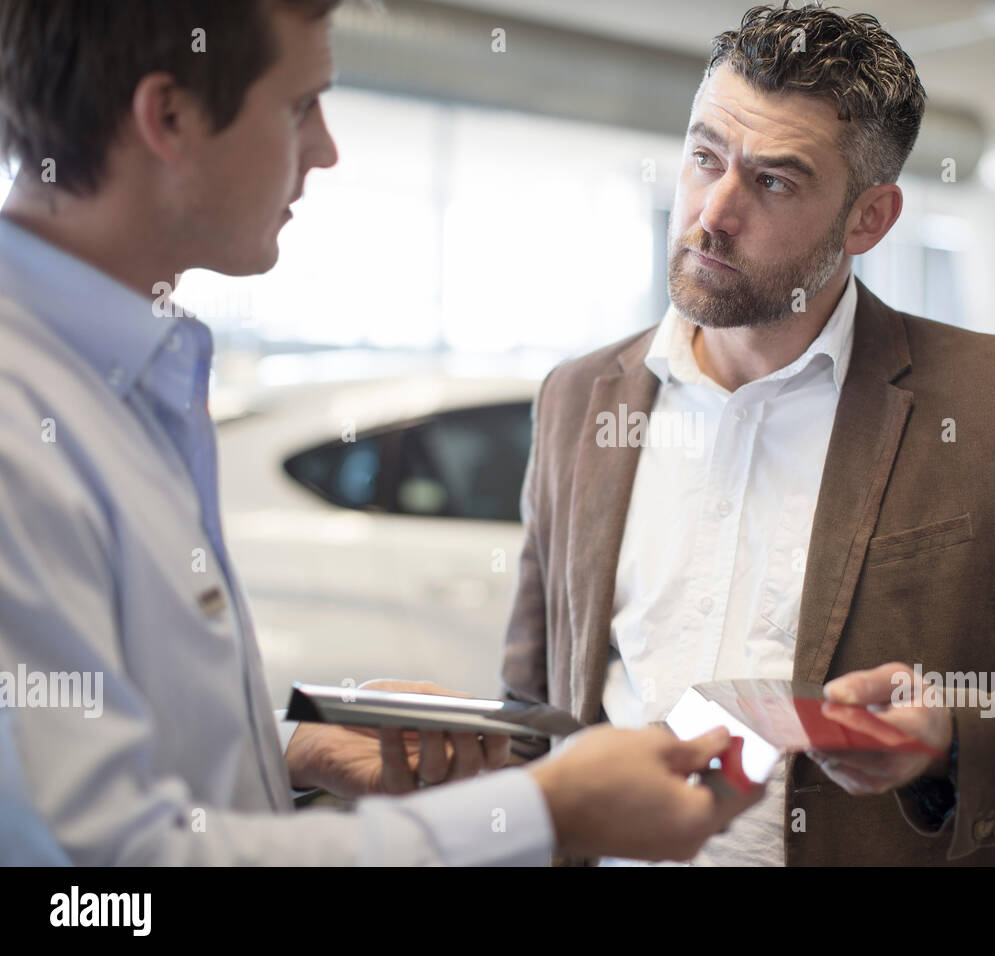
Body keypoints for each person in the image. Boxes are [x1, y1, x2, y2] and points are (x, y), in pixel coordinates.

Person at [0, 0, 760, 866]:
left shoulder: (125, 379)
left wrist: (292, 743)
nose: (324, 149)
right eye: (300, 107)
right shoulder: (22, 426)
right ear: (168, 116)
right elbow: (96, 881)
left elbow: (111, 741)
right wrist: (546, 812)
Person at [501, 3, 995, 866]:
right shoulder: (577, 400)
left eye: (774, 181)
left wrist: (948, 736)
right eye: (704, 156)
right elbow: (533, 713)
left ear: (870, 219)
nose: (713, 212)